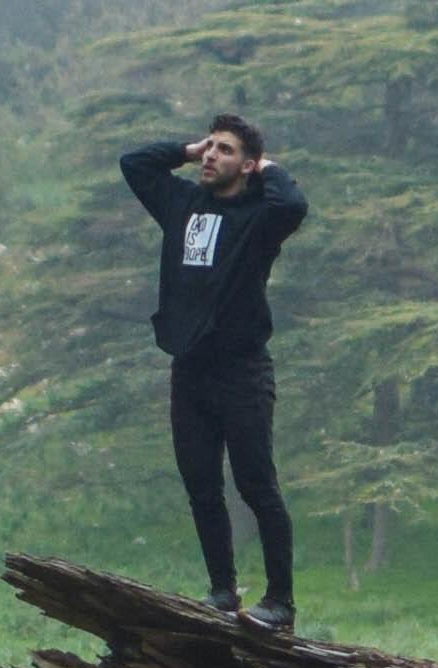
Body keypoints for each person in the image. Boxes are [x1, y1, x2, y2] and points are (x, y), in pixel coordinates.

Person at [118, 110, 309, 624]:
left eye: (225, 150)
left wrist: (265, 165)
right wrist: (186, 149)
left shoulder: (259, 219)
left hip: (243, 371)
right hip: (190, 371)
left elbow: (293, 202)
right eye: (211, 147)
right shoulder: (181, 203)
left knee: (256, 485)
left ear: (247, 165)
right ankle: (223, 592)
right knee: (200, 483)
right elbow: (133, 164)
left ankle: (280, 602)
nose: (211, 155)